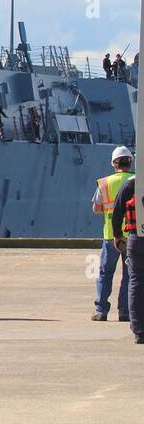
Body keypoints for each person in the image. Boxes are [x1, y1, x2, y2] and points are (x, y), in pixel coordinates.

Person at [92, 146, 135, 321]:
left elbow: (96, 208)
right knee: (129, 274)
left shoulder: (104, 183)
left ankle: (101, 311)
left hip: (110, 236)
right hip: (131, 235)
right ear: (130, 162)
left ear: (113, 163)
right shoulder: (135, 181)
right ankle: (124, 312)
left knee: (105, 273)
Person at [110, 173, 142, 343]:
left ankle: (139, 331)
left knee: (135, 282)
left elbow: (116, 213)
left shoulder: (129, 185)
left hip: (136, 237)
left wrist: (117, 235)